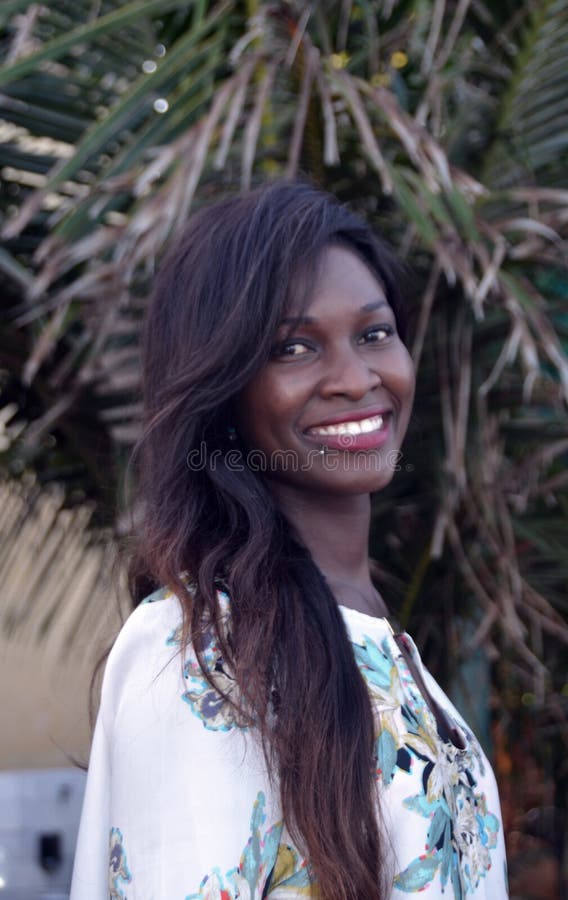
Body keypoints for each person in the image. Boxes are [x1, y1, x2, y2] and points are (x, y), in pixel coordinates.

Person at [71, 180, 508, 900]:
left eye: (374, 333)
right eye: (296, 348)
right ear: (224, 391)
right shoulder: (202, 652)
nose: (356, 378)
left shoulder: (377, 639)